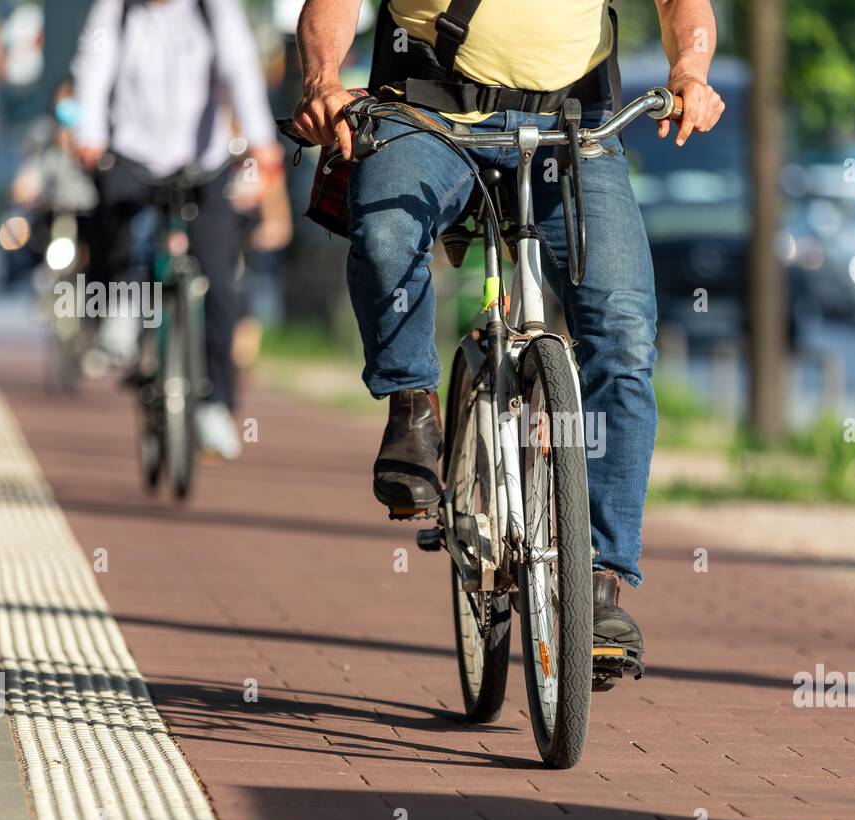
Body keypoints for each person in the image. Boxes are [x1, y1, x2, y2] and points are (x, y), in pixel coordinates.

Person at [291, 0, 725, 677]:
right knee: (383, 235)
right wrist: (322, 80)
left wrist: (691, 70)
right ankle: (412, 405)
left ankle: (601, 580)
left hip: (575, 126)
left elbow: (681, 5)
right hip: (427, 117)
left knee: (625, 335)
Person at [71, 0, 283, 460]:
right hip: (131, 153)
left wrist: (262, 142)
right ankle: (122, 307)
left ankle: (216, 407)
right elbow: (93, 66)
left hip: (202, 164)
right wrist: (89, 131)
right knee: (108, 216)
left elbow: (241, 69)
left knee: (222, 285)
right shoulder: (117, 10)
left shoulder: (213, 10)